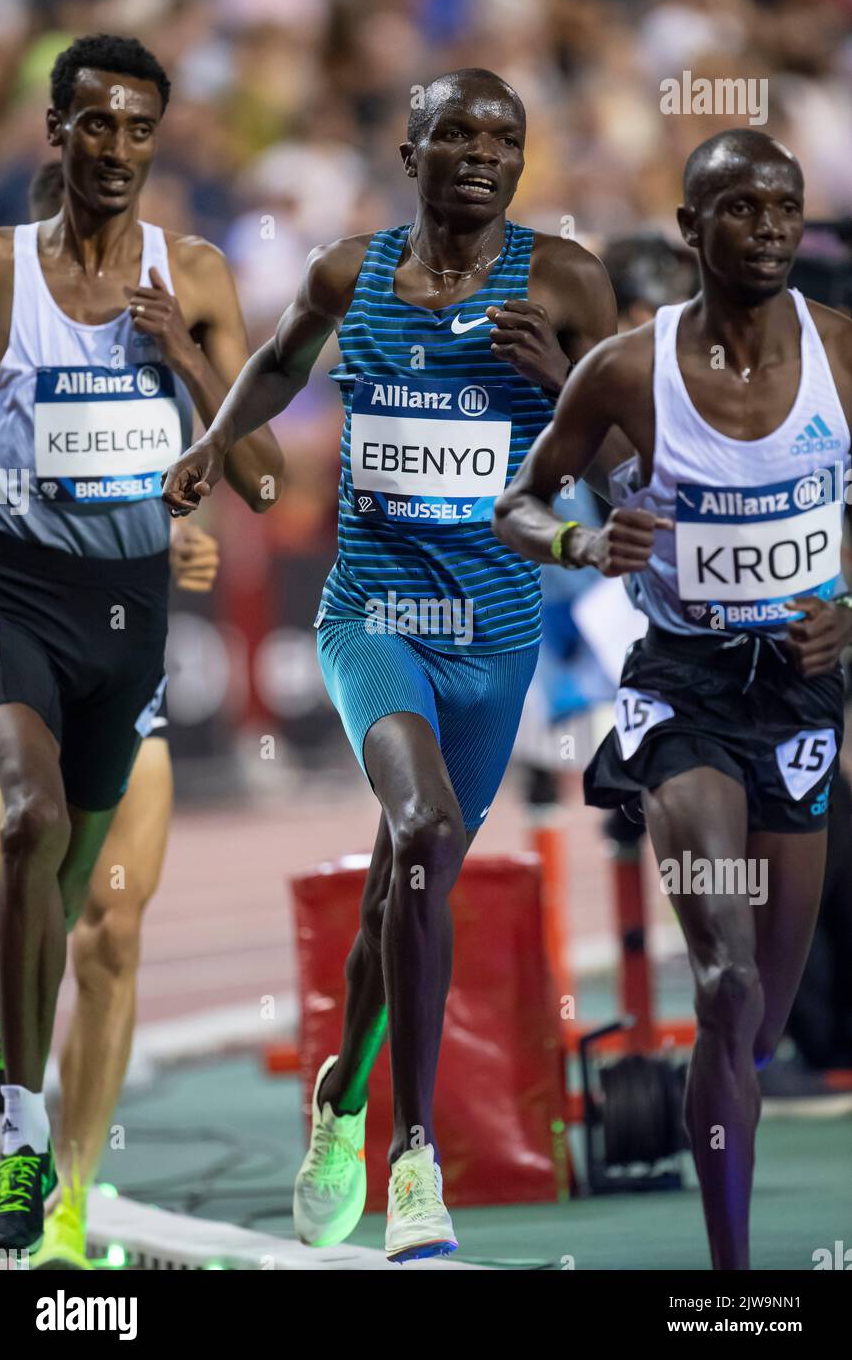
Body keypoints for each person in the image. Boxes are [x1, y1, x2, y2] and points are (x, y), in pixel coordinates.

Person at [162, 68, 617, 1261]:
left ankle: (342, 1094)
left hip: (496, 632)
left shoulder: (563, 281)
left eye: (501, 137)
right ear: (407, 146)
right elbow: (276, 359)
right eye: (454, 133)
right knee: (419, 831)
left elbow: (626, 455)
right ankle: (414, 1156)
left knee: (396, 896)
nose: (479, 151)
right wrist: (214, 443)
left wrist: (552, 382)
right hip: (373, 613)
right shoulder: (345, 272)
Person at [493, 127, 852, 1270]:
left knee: (751, 1026)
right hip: (679, 696)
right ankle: (729, 1278)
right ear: (690, 230)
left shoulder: (841, 350)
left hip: (797, 701)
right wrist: (582, 539)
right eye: (739, 209)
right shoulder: (624, 369)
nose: (769, 228)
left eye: (784, 207)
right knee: (726, 977)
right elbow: (518, 501)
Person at [0, 33, 282, 1255]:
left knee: (95, 916)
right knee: (29, 823)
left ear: (160, 140)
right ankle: (15, 1124)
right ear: (54, 131)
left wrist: (185, 356)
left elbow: (260, 477)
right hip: (13, 591)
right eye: (93, 125)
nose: (115, 149)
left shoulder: (198, 274)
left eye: (138, 129)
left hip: (131, 613)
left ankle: (67, 1201)